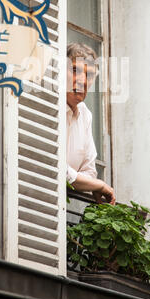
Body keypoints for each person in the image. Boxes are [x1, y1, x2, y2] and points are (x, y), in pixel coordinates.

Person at [66, 43, 116, 205]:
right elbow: (51, 165)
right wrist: (99, 185)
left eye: (89, 75)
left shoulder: (85, 114)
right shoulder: (47, 107)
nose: (82, 80)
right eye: (75, 70)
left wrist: (90, 182)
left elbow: (89, 171)